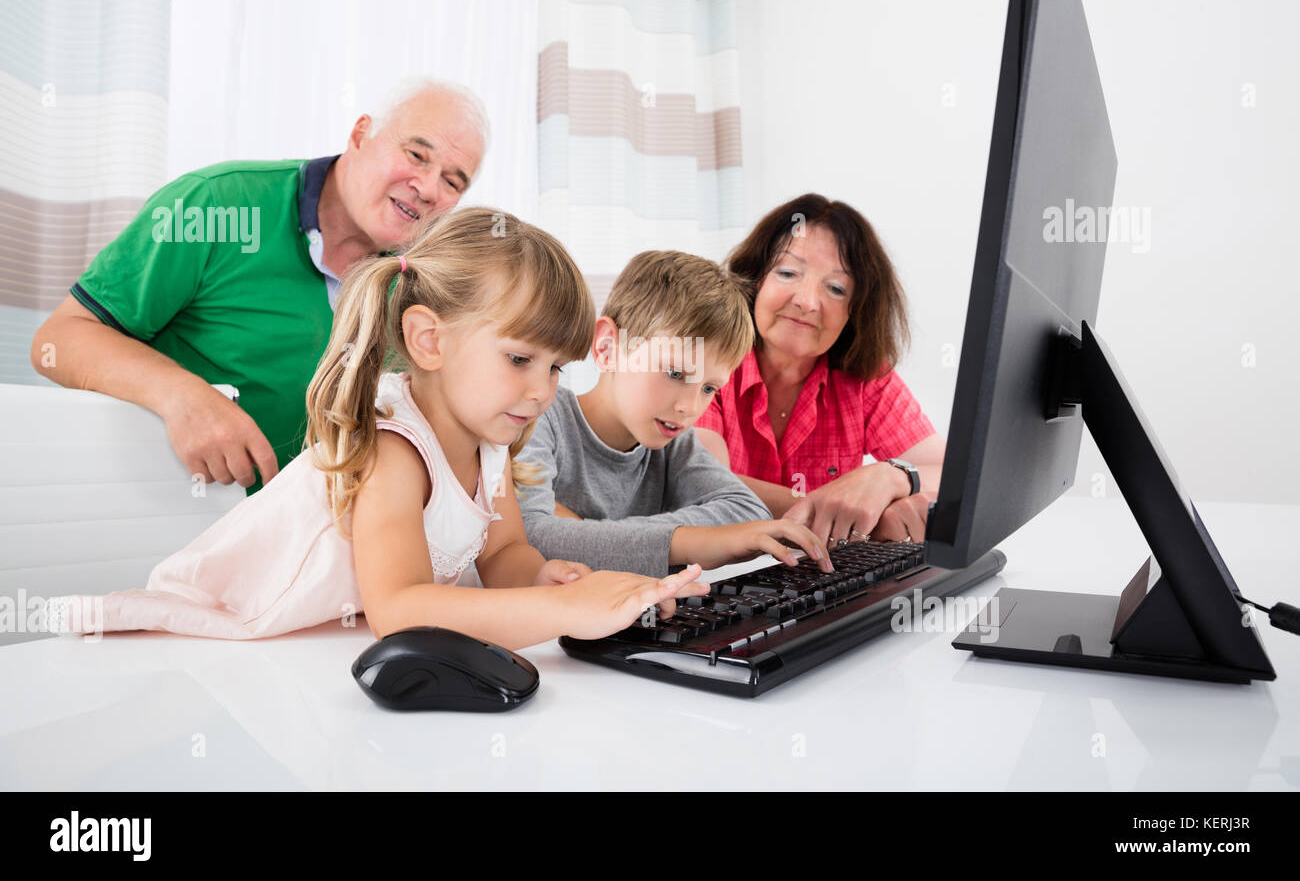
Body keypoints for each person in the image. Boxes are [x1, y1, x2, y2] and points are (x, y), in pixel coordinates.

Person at [50, 209, 710, 649]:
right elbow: (398, 611)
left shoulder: (490, 442)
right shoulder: (394, 446)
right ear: (428, 340)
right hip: (220, 633)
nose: (542, 390)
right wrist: (569, 615)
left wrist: (547, 582)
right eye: (519, 359)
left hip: (308, 649)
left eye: (556, 368)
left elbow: (504, 553)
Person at [30, 78, 488, 495]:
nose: (428, 188)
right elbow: (59, 340)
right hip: (166, 518)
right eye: (416, 154)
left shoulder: (426, 289)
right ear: (360, 134)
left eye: (452, 181)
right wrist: (183, 395)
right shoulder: (215, 204)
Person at [517, 250, 827, 576]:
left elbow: (746, 512)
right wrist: (684, 541)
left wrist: (584, 532)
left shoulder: (673, 444)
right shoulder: (540, 418)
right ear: (608, 348)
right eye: (675, 374)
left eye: (709, 388)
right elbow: (529, 535)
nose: (690, 408)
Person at [694, 194, 943, 549]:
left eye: (836, 288)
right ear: (754, 280)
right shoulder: (710, 357)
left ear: (855, 312)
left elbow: (958, 474)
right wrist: (854, 515)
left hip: (822, 582)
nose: (807, 301)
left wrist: (893, 477)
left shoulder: (865, 378)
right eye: (787, 272)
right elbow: (705, 483)